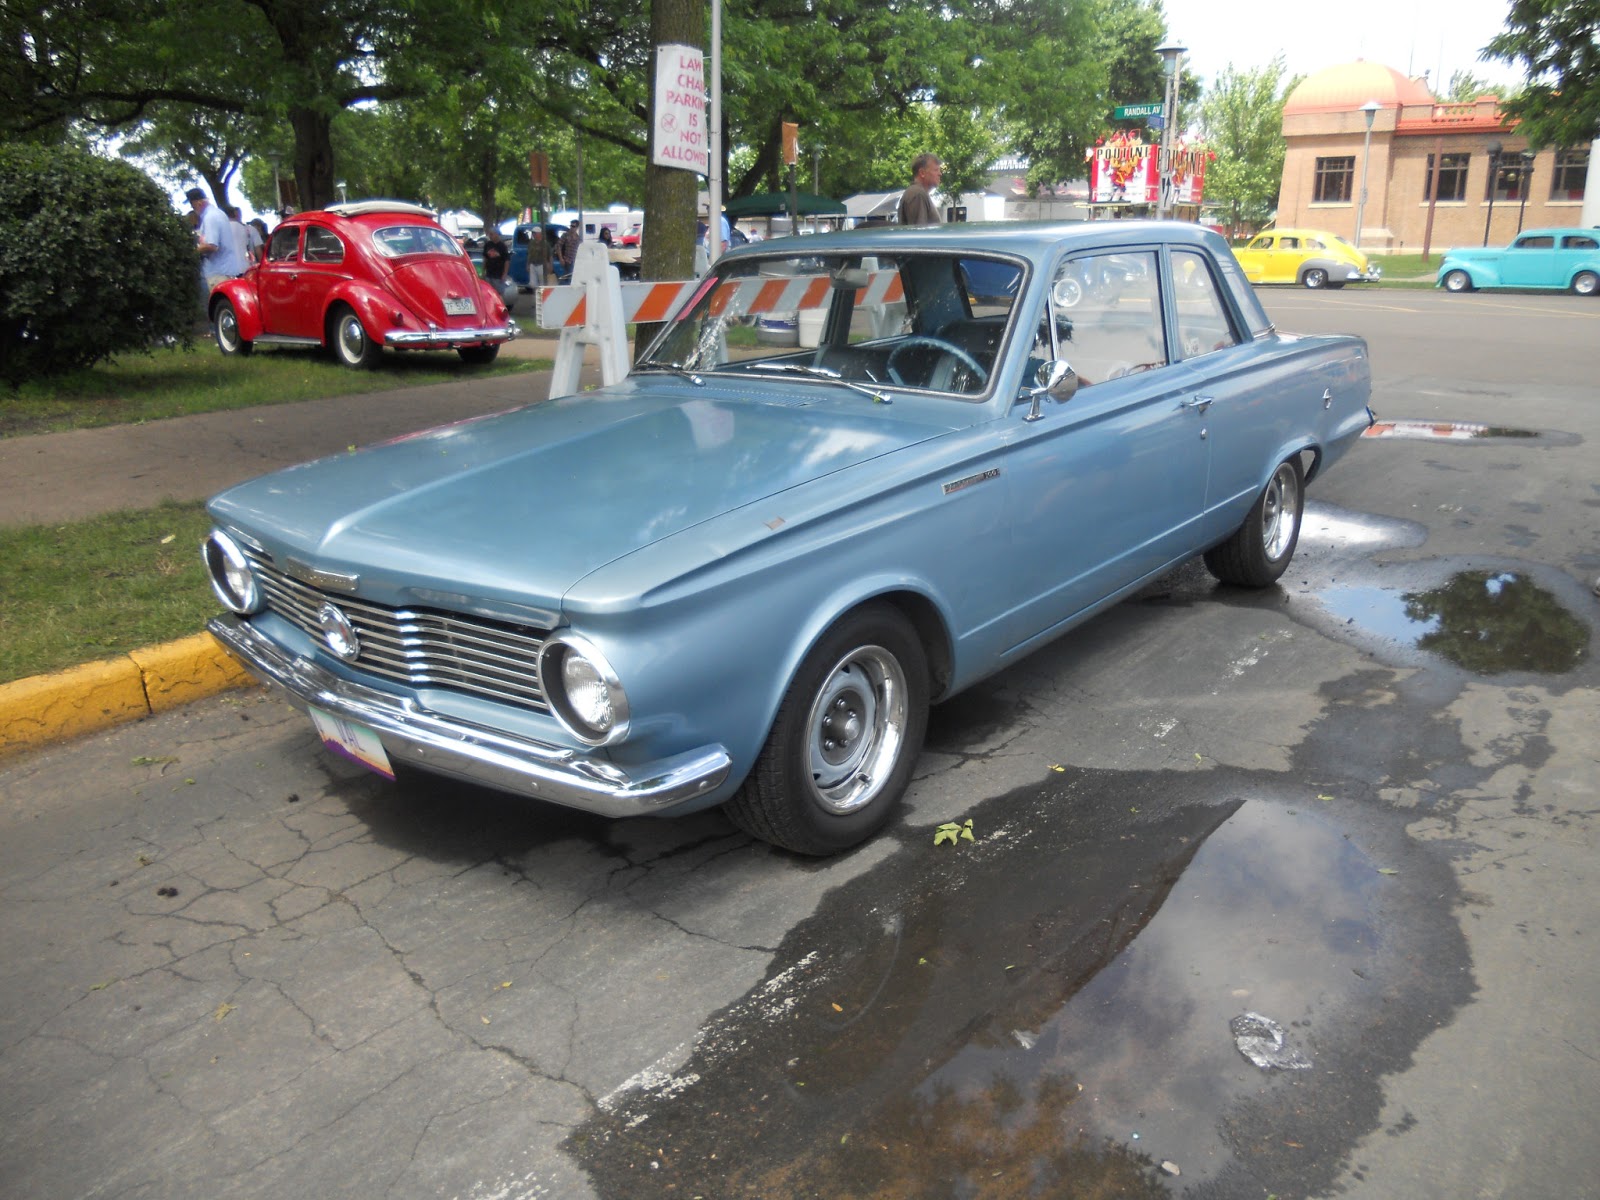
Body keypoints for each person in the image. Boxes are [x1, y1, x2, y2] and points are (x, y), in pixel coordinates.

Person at [187, 187, 244, 289]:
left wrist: (192, 251)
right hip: (225, 271)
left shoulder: (210, 217)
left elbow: (212, 245)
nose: (193, 209)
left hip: (218, 274)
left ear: (198, 203)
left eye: (192, 205)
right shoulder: (218, 213)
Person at [898, 154, 943, 226]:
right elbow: (919, 233)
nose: (940, 174)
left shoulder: (918, 193)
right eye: (936, 170)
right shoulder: (917, 194)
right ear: (922, 173)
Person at [481, 229, 510, 295]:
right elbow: (485, 258)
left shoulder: (502, 246)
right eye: (489, 234)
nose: (490, 236)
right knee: (488, 293)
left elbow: (507, 261)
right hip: (489, 274)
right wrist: (483, 271)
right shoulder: (488, 245)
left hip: (498, 275)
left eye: (492, 234)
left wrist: (505, 274)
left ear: (496, 234)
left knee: (498, 294)